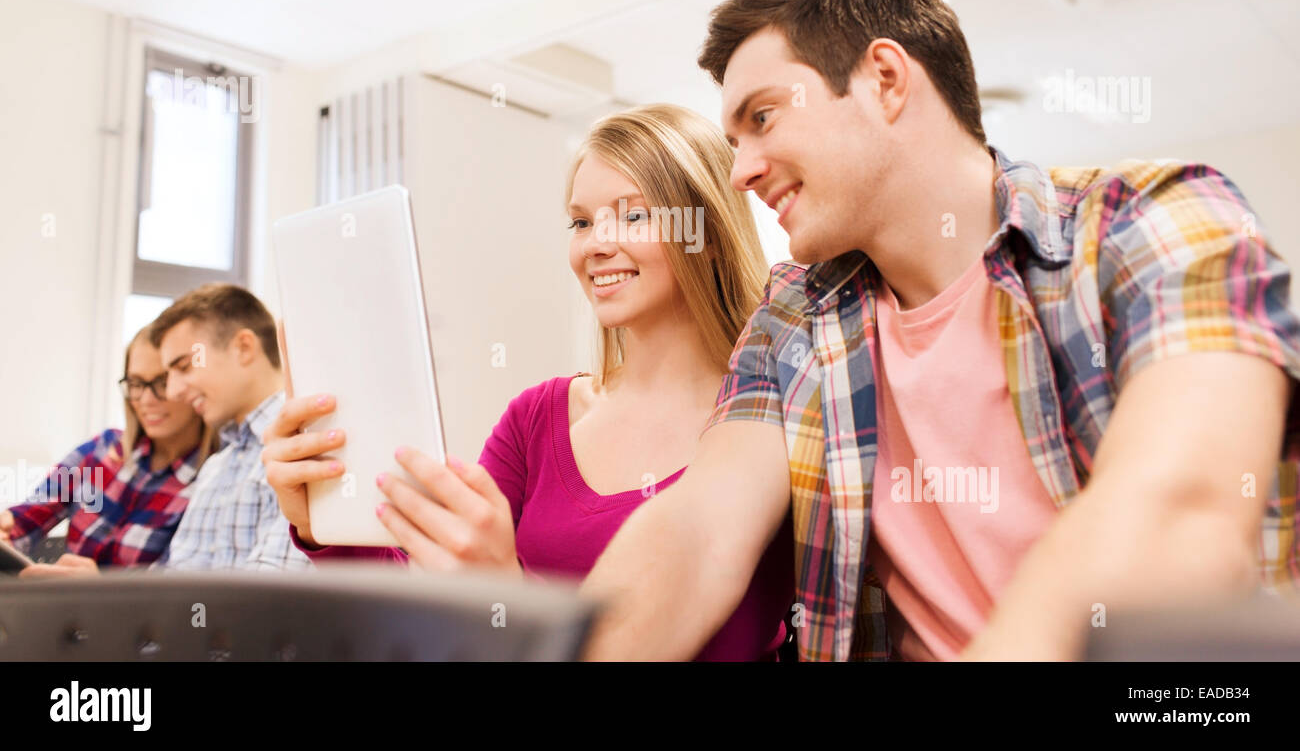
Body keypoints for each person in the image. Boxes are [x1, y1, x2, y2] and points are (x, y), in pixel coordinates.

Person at [573, 0, 1300, 661]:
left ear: (885, 79)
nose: (741, 172)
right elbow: (698, 531)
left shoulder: (1147, 222)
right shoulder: (797, 314)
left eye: (762, 118)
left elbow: (1179, 507)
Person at [264, 104, 796, 660]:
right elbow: (435, 585)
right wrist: (320, 519)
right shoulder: (539, 416)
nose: (595, 244)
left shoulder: (769, 421)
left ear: (705, 232)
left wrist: (510, 588)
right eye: (583, 221)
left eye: (632, 216)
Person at [20, 284, 313, 577]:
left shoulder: (301, 443)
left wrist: (105, 602)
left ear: (243, 348)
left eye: (184, 367)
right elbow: (173, 585)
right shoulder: (218, 468)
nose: (173, 391)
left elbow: (268, 604)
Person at [2, 326, 217, 571]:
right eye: (136, 383)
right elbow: (33, 511)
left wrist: (99, 592)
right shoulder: (100, 450)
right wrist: (8, 527)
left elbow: (181, 594)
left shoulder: (213, 483)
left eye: (162, 382)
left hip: (130, 611)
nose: (146, 400)